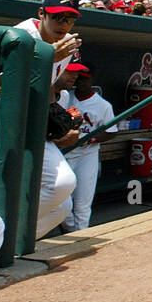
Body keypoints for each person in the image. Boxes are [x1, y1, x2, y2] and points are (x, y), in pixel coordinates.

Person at [13, 0, 83, 237]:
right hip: (2, 122)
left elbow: (48, 90)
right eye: (57, 17)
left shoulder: (63, 45)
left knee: (62, 207)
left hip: (29, 122)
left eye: (70, 18)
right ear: (42, 13)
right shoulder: (21, 35)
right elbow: (1, 85)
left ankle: (7, 245)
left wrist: (58, 124)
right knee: (61, 183)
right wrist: (51, 58)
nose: (64, 24)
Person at [57, 62, 117, 232]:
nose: (82, 82)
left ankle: (80, 235)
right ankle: (70, 232)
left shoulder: (103, 105)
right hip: (65, 153)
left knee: (83, 202)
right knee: (62, 199)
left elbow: (111, 132)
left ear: (93, 80)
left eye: (86, 79)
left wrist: (90, 140)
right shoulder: (65, 97)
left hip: (87, 155)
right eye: (80, 78)